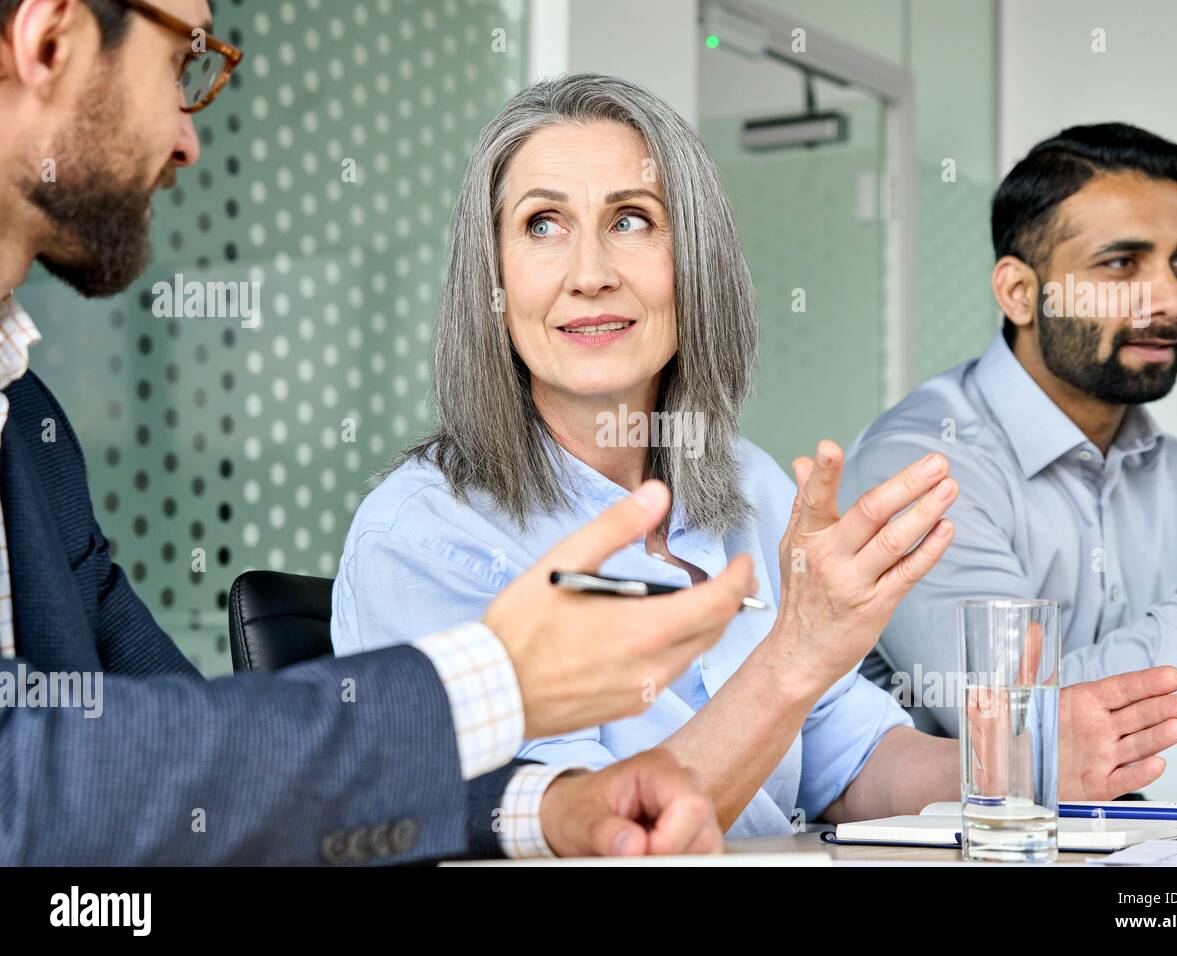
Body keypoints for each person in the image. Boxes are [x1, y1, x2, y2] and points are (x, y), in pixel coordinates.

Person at [332, 75, 1177, 837]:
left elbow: (849, 760)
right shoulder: (423, 532)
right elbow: (595, 830)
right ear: (491, 280)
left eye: (631, 220)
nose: (589, 271)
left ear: (695, 263)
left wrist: (1020, 760)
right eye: (543, 225)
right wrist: (798, 651)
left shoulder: (742, 482)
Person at [0, 0, 749, 864]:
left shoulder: (28, 425)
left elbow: (206, 756)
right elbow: (25, 784)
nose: (188, 140)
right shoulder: (421, 523)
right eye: (183, 66)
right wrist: (494, 679)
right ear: (48, 40)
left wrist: (543, 808)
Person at [841, 122, 1177, 802]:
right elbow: (1030, 732)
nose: (1170, 299)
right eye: (1122, 264)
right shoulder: (923, 466)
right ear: (1019, 293)